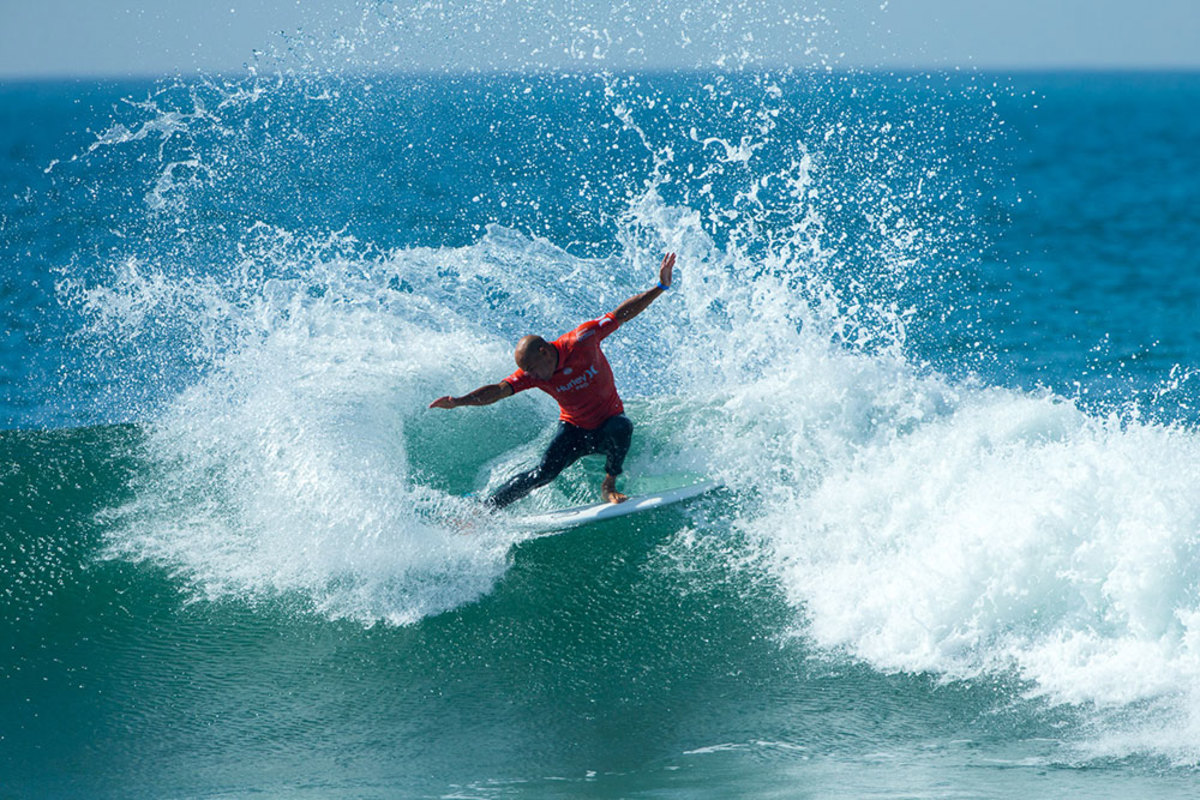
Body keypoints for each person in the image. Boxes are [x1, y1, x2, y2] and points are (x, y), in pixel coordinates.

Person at [429, 252, 676, 509]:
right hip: (574, 430)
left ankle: (609, 484)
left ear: (545, 352)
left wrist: (660, 287)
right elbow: (499, 390)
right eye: (527, 372)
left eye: (532, 369)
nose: (530, 376)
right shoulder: (533, 374)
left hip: (608, 424)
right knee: (542, 474)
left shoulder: (583, 340)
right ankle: (485, 507)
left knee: (621, 428)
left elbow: (621, 314)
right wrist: (459, 401)